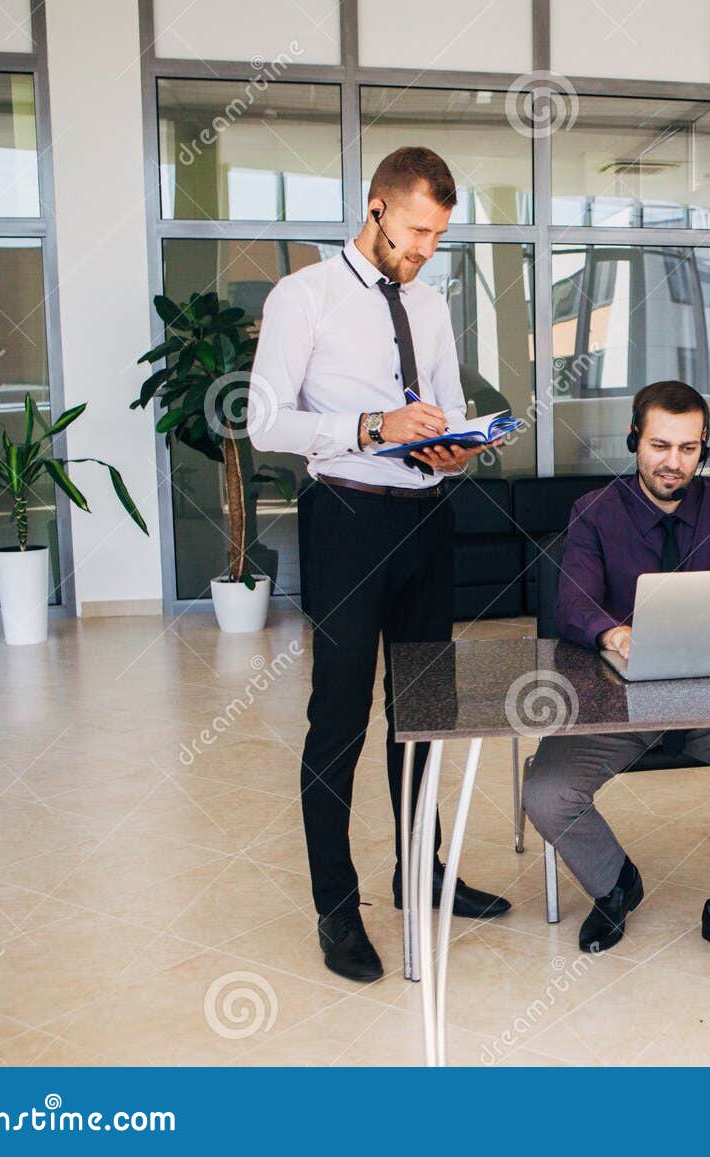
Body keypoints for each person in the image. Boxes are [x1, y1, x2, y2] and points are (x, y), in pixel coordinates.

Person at [249, 146, 511, 983]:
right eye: (417, 231)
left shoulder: (430, 305)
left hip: (428, 519)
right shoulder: (304, 297)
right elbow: (264, 421)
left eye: (438, 235)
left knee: (424, 710)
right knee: (339, 719)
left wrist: (454, 446)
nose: (426, 248)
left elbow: (447, 409)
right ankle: (336, 907)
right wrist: (371, 427)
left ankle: (420, 871)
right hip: (348, 518)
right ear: (376, 209)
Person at [522, 381, 710, 975]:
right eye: (660, 446)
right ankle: (616, 884)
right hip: (619, 707)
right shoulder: (593, 510)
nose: (673, 462)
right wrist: (614, 634)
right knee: (546, 792)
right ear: (634, 439)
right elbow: (574, 604)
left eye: (689, 449)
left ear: (703, 446)